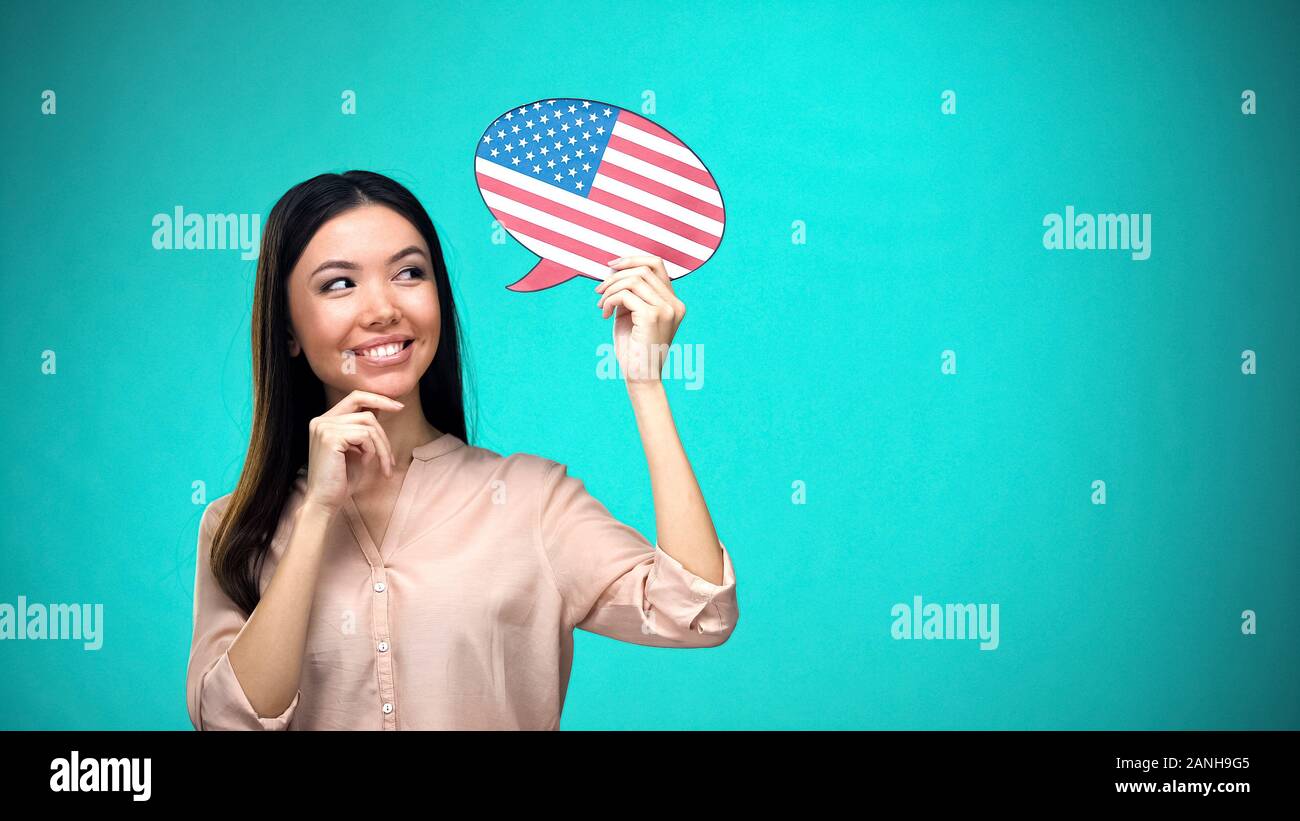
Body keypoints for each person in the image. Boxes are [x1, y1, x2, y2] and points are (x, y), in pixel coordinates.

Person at [185, 170, 738, 730]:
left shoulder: (532, 501)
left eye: (408, 273)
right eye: (338, 284)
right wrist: (316, 513)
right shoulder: (235, 529)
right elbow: (230, 723)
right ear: (288, 332)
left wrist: (644, 381)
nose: (381, 309)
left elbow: (697, 612)